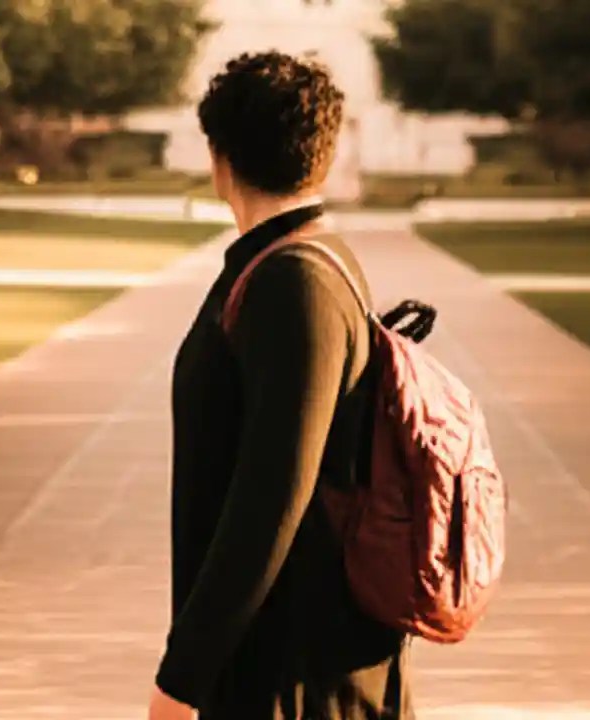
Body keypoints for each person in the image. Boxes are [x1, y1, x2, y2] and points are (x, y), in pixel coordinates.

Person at [149, 51, 411, 719]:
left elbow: (268, 503)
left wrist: (181, 680)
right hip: (286, 660)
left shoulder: (295, 282)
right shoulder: (290, 263)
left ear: (220, 159)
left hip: (295, 676)